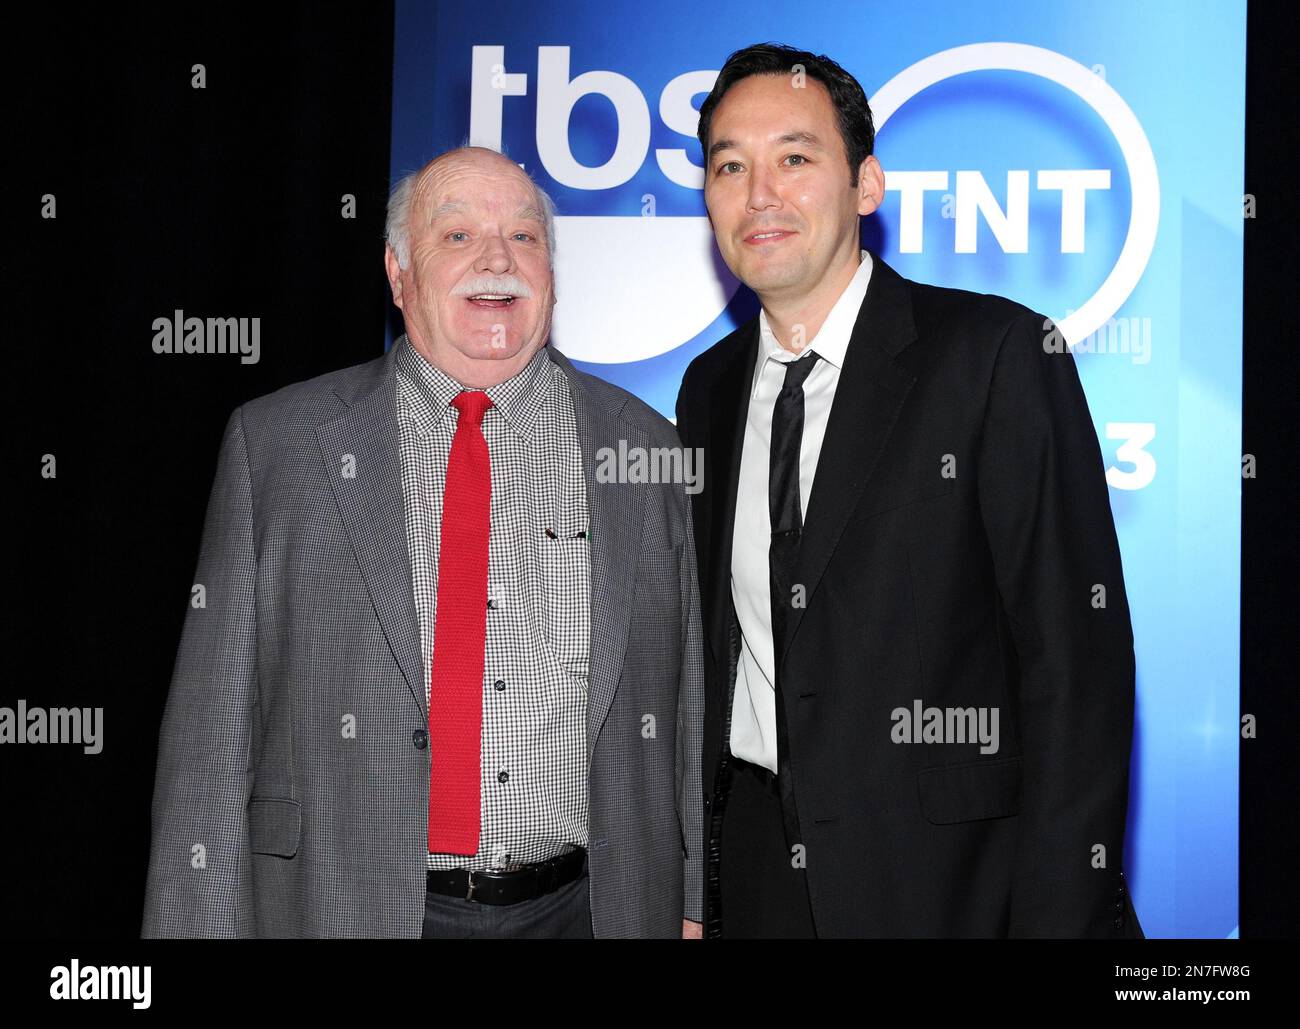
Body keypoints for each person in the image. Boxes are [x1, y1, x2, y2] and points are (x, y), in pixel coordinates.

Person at [142, 146, 704, 939]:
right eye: (457, 236)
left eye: (524, 236)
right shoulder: (279, 445)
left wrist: (688, 906)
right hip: (344, 906)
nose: (498, 258)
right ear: (398, 274)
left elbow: (681, 703)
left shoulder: (643, 450)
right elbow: (211, 732)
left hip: (587, 912)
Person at [675, 43, 1143, 938]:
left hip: (957, 886)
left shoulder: (994, 355)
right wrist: (698, 886)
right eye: (730, 165)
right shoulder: (707, 387)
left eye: (796, 158)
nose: (759, 193)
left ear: (867, 185)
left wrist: (1056, 915)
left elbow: (1076, 669)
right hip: (761, 880)